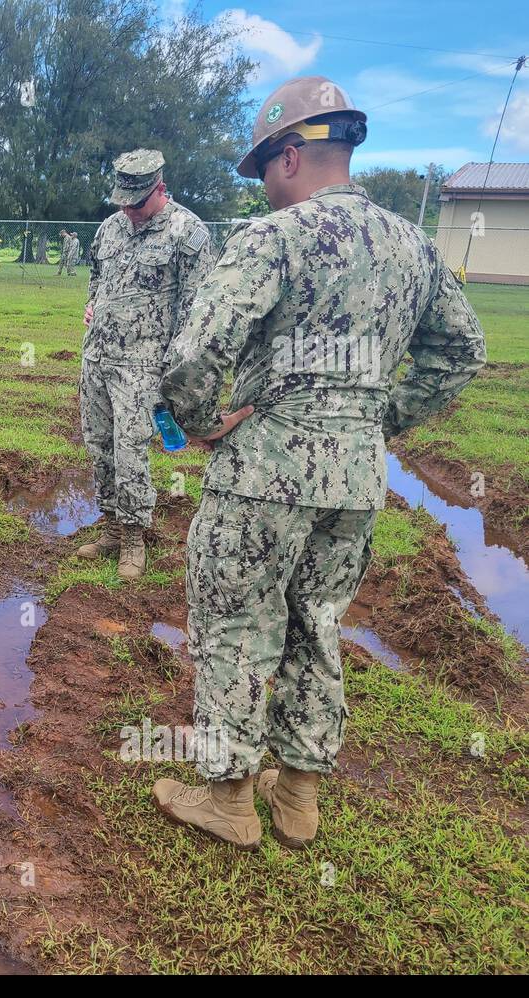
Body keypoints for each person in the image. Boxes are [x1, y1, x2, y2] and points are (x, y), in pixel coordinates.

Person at [151, 76, 486, 850]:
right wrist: (380, 419)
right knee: (317, 621)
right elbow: (463, 350)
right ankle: (298, 794)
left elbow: (193, 357)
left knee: (236, 621)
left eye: (265, 168)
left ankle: (230, 797)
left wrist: (202, 425)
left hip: (265, 472)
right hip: (359, 479)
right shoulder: (412, 243)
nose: (266, 186)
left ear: (292, 154)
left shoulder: (277, 237)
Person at [78, 148, 215, 578]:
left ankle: (134, 536)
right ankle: (111, 528)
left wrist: (172, 374)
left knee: (130, 448)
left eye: (136, 203)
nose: (129, 211)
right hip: (97, 356)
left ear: (159, 189)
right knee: (98, 442)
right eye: (122, 202)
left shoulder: (187, 233)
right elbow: (96, 279)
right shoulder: (109, 229)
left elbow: (196, 310)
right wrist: (92, 306)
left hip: (143, 366)